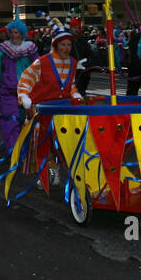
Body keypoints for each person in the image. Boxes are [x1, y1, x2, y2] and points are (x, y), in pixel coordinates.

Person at [16, 29, 86, 185]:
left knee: (61, 142)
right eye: (63, 44)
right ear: (55, 45)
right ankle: (43, 172)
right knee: (41, 142)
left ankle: (54, 169)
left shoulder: (73, 63)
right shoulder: (42, 62)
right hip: (42, 109)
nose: (66, 48)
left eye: (69, 45)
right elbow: (25, 80)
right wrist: (24, 96)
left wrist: (75, 94)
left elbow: (70, 85)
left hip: (62, 110)